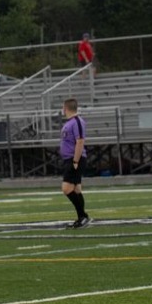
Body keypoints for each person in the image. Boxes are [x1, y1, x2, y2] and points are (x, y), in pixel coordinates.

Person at [59, 97, 90, 228]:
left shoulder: (77, 121)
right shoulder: (70, 122)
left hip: (74, 159)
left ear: (66, 108)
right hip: (69, 159)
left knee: (66, 188)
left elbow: (80, 141)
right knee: (76, 189)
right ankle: (82, 218)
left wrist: (75, 160)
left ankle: (83, 216)